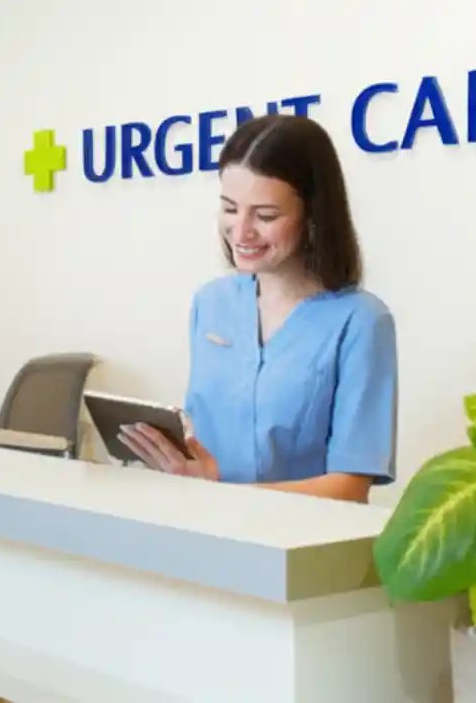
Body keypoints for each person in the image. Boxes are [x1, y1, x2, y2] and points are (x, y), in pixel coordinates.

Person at [118, 114, 397, 503]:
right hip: (202, 534)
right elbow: (203, 440)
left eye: (265, 216)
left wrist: (221, 494)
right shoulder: (211, 303)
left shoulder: (361, 322)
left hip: (303, 549)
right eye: (230, 208)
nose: (242, 231)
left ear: (313, 216)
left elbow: (349, 488)